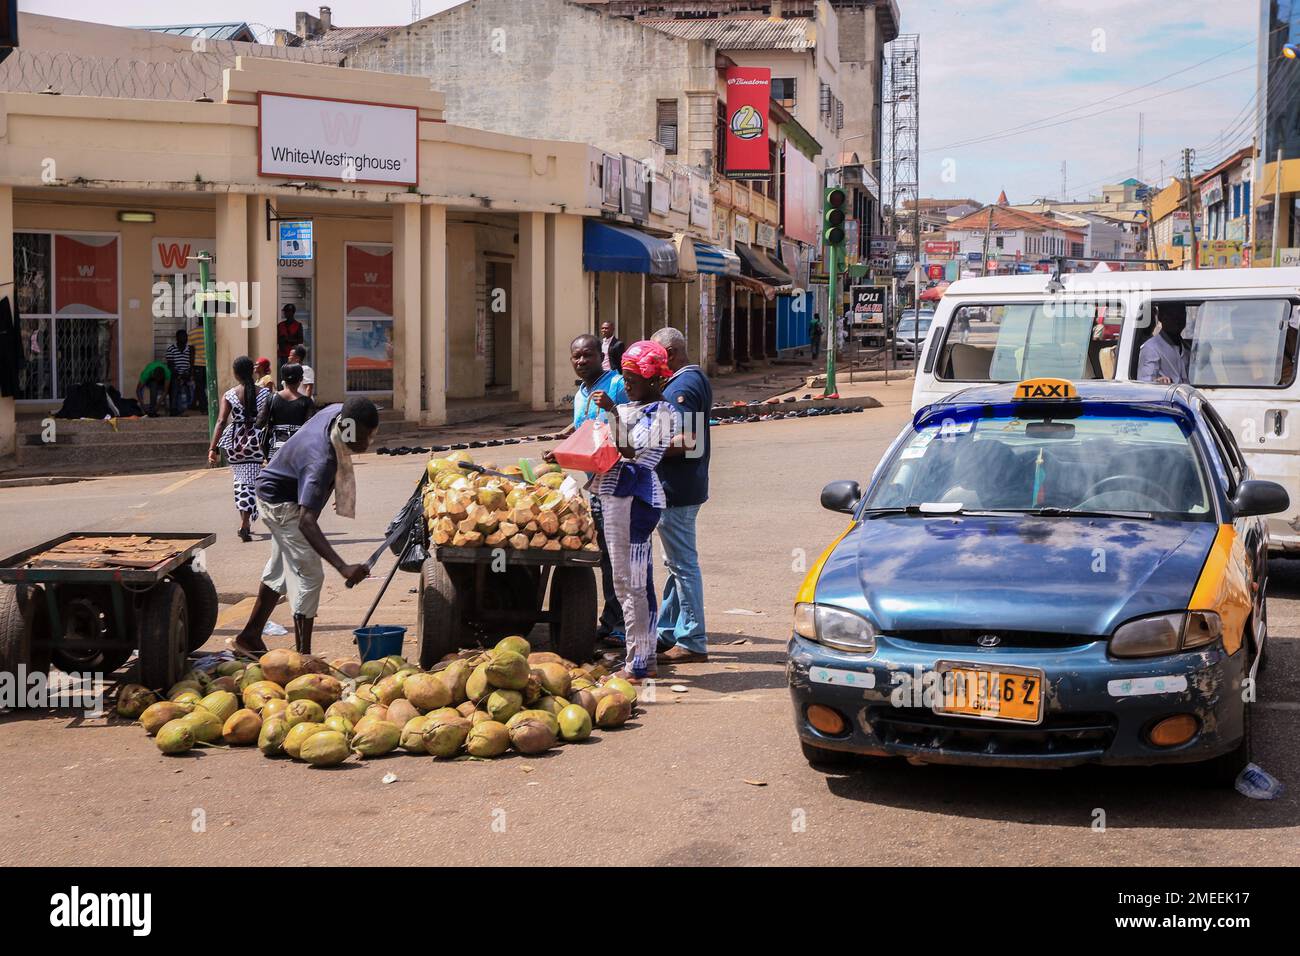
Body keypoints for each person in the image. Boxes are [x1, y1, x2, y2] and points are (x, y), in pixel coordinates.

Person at [228, 397, 378, 656]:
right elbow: (306, 521)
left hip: (280, 492)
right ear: (350, 429)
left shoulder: (337, 413)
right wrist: (343, 567)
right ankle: (303, 659)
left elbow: (341, 451)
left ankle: (249, 637)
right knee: (310, 575)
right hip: (281, 503)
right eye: (366, 436)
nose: (369, 442)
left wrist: (338, 490)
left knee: (281, 570)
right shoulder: (321, 461)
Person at [588, 341, 678, 681]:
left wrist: (612, 411)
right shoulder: (629, 407)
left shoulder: (662, 413)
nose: (626, 384)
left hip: (636, 502)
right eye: (624, 377)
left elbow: (629, 449)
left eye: (633, 379)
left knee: (634, 583)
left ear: (654, 381)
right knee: (624, 581)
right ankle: (641, 657)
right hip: (614, 498)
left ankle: (639, 663)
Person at [544, 333, 630, 645]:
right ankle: (611, 620)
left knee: (619, 558)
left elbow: (636, 424)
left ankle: (623, 625)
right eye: (576, 357)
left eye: (587, 356)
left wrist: (613, 407)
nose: (581, 362)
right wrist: (561, 446)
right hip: (595, 484)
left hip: (618, 483)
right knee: (605, 557)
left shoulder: (618, 384)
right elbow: (583, 428)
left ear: (600, 356)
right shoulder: (581, 391)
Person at [650, 327, 712, 665]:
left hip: (677, 488)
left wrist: (644, 447)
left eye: (656, 359)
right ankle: (669, 630)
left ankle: (692, 639)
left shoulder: (682, 386)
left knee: (683, 565)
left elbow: (688, 441)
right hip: (685, 486)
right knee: (675, 564)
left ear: (670, 354)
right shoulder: (693, 378)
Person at [208, 356, 272, 543]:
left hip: (235, 442)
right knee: (252, 481)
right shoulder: (266, 394)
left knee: (241, 481)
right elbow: (270, 420)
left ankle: (245, 521)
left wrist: (213, 448)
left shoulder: (229, 395)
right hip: (258, 441)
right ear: (252, 372)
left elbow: (220, 422)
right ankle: (247, 520)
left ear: (236, 374)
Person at [258, 362, 316, 459]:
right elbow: (311, 426)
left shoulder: (272, 398)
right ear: (301, 379)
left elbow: (260, 422)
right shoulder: (307, 402)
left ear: (283, 379)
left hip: (276, 449)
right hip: (299, 449)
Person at [1137, 303, 1189, 385]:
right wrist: (1158, 382)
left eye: (1180, 314)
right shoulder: (1151, 348)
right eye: (1171, 314)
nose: (1177, 319)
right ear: (1160, 317)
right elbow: (1145, 384)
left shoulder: (1186, 347)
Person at [165, 328, 194, 415]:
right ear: (177, 338)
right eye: (182, 337)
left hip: (187, 374)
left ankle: (188, 407)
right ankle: (174, 409)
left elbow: (191, 364)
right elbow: (170, 366)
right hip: (175, 375)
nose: (184, 339)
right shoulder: (171, 349)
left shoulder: (190, 349)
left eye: (185, 337)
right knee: (175, 385)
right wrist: (179, 376)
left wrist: (188, 374)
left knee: (194, 386)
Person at [187, 321, 208, 413]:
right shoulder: (212, 332)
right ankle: (198, 405)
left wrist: (191, 367)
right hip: (208, 364)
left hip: (197, 364)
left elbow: (191, 352)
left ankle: (201, 406)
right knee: (202, 386)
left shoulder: (192, 333)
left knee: (200, 386)